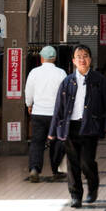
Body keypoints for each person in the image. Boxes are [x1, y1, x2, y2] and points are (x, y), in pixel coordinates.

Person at [49, 45, 106, 208]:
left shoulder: (100, 80)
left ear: (90, 59)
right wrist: (52, 131)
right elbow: (59, 108)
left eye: (85, 56)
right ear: (73, 61)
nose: (82, 59)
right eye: (79, 56)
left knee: (86, 161)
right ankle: (76, 195)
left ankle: (92, 188)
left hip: (90, 126)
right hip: (70, 127)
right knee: (72, 163)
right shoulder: (67, 81)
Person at [24, 45, 67, 182]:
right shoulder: (61, 73)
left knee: (37, 142)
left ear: (41, 57)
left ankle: (34, 169)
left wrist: (29, 104)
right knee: (55, 142)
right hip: (56, 114)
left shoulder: (34, 72)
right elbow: (65, 94)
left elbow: (28, 91)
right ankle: (56, 171)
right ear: (54, 58)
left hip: (38, 112)